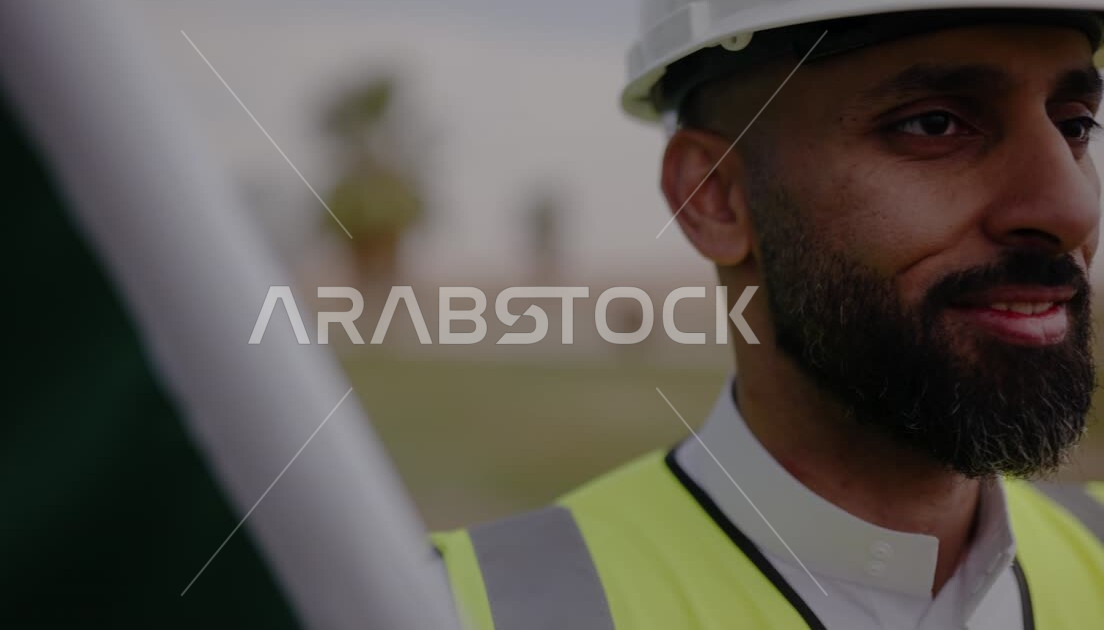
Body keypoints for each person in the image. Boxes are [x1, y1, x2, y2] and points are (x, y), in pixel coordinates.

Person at [433, 2, 1104, 628]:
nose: (1070, 209)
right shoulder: (458, 609)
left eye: (1074, 126)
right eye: (934, 124)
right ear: (713, 199)